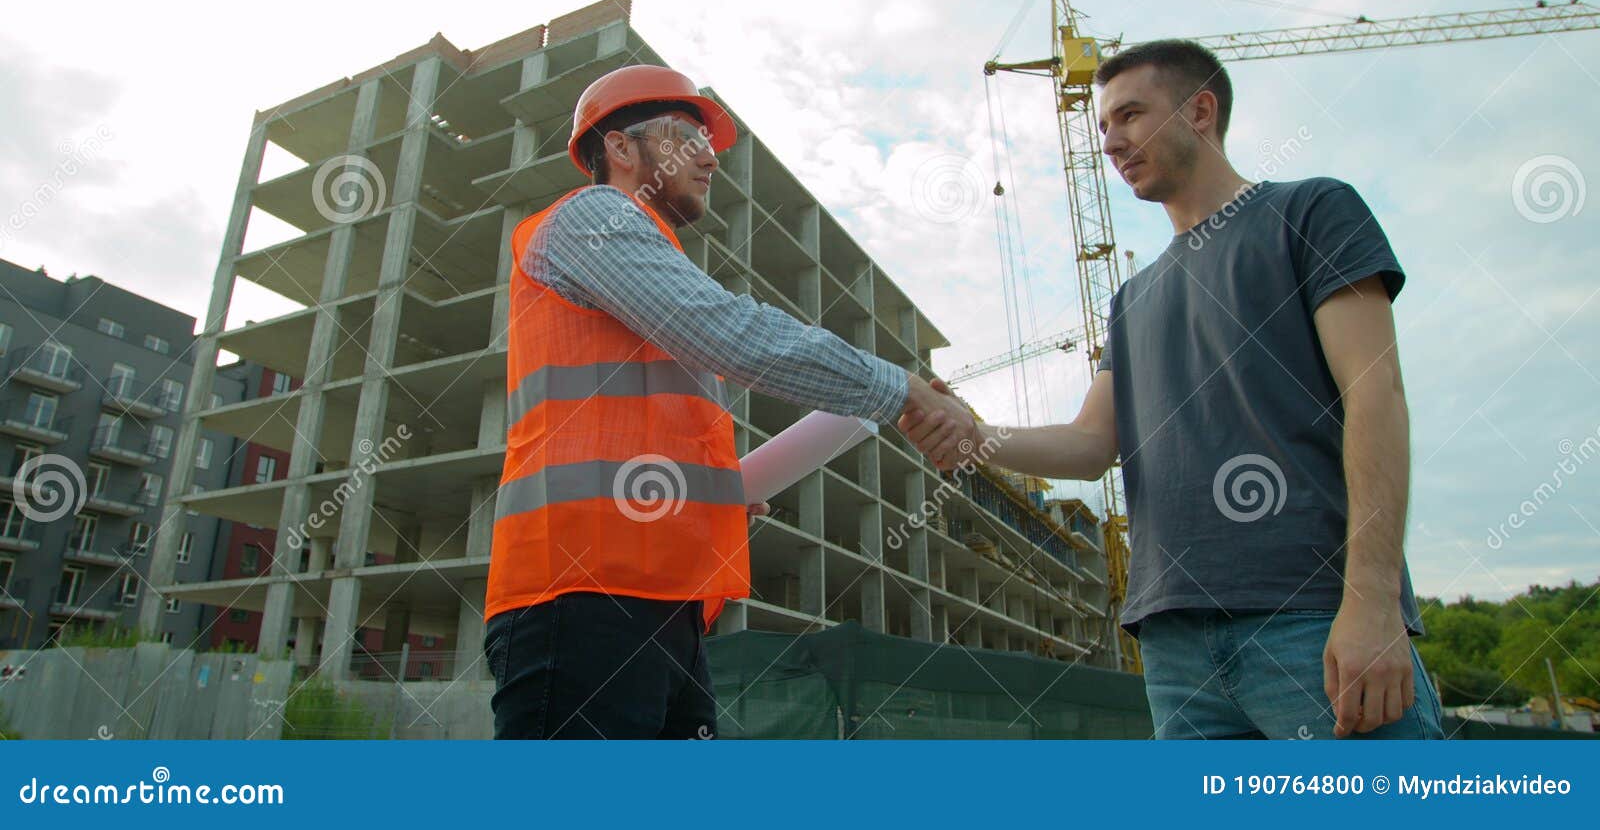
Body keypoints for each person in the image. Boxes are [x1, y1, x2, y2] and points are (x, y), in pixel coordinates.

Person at [904, 40, 1442, 740]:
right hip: (1175, 648)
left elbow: (1377, 397)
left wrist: (1373, 601)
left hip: (1307, 614)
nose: (1110, 141)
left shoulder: (1312, 211)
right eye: (1101, 126)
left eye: (1129, 115)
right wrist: (976, 433)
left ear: (1201, 111)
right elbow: (1090, 444)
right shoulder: (1132, 298)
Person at [486, 64, 973, 739]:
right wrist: (899, 386)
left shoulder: (646, 255)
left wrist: (715, 492)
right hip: (585, 593)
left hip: (660, 601)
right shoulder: (592, 219)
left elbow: (639, 429)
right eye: (688, 137)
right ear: (621, 149)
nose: (711, 157)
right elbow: (730, 332)